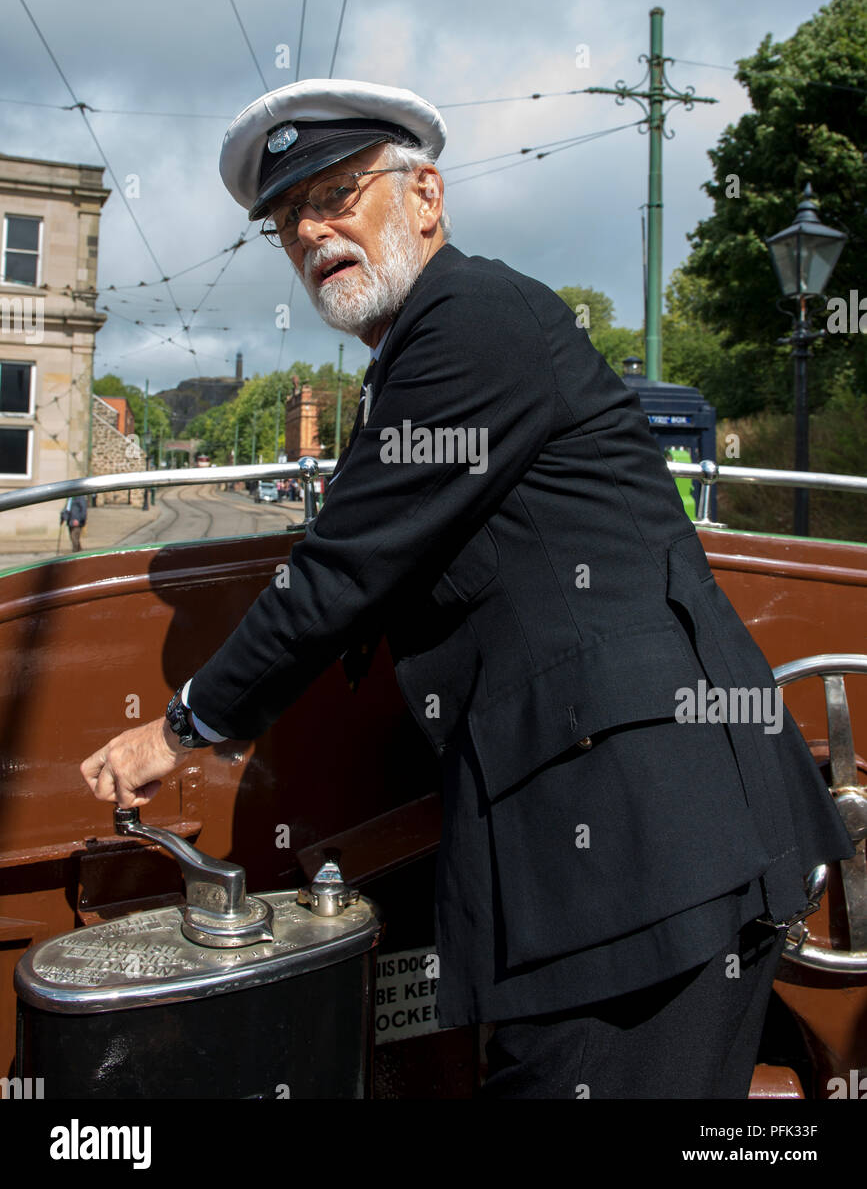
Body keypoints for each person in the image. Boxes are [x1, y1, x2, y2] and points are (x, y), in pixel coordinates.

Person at [80, 78, 854, 1099]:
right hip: (609, 859)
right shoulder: (421, 351)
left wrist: (177, 729)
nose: (313, 231)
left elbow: (348, 567)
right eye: (287, 221)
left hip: (644, 851)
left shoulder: (470, 319)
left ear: (428, 197)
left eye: (340, 193)